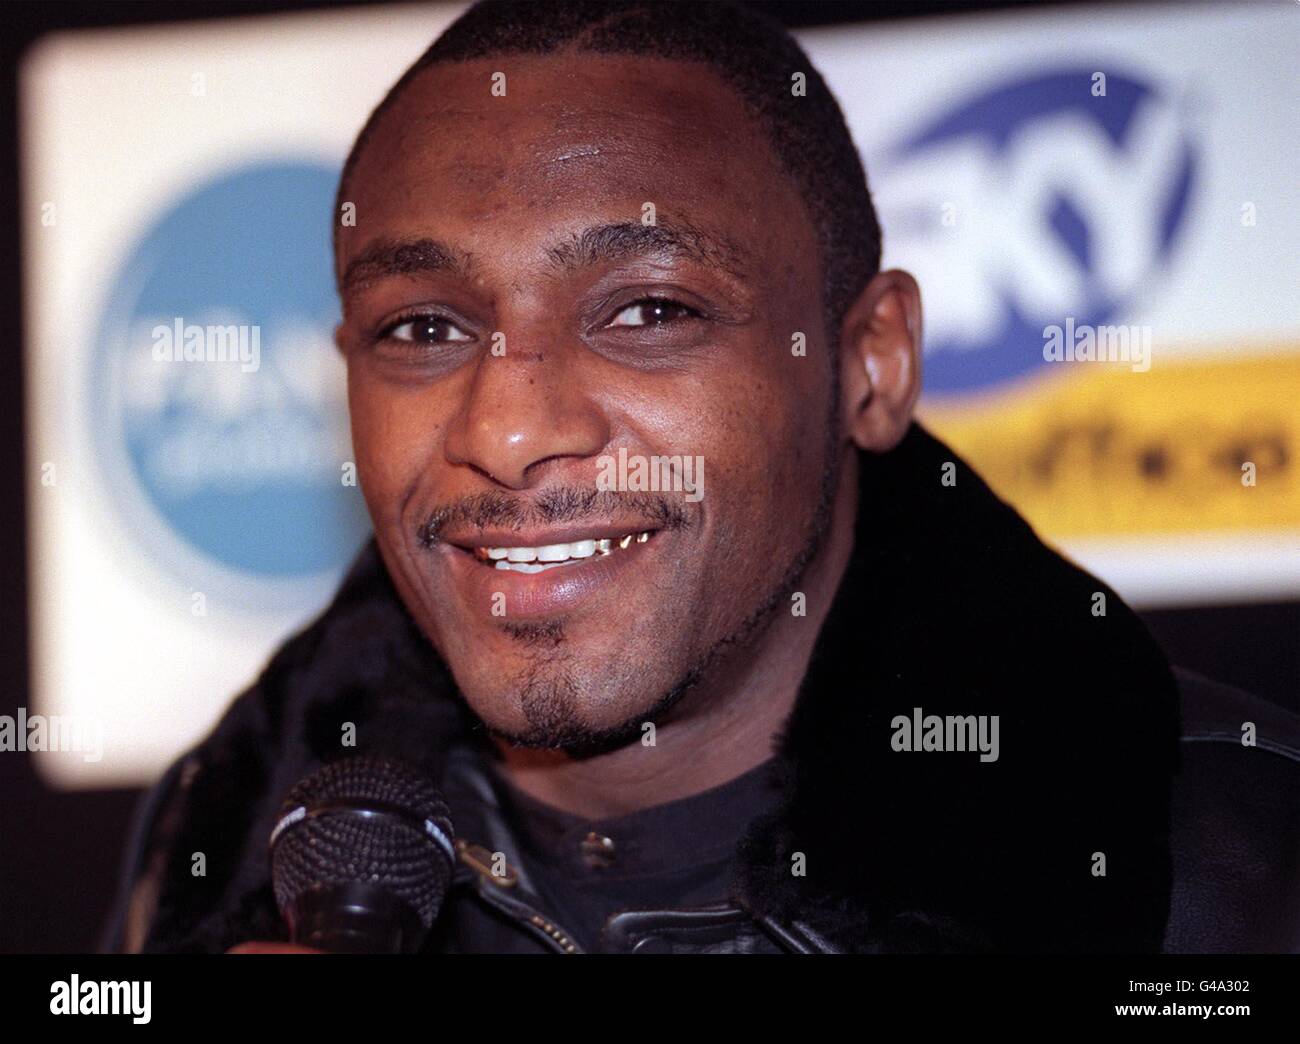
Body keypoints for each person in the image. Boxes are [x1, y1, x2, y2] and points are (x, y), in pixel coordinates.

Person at [103, 0, 1298, 954]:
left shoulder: (1230, 862)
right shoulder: (233, 846)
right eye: (423, 329)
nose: (509, 431)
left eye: (650, 310)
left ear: (868, 365)